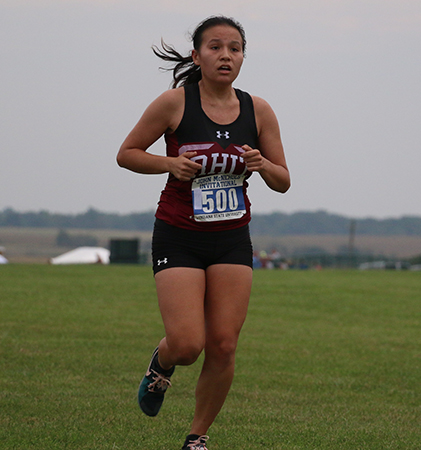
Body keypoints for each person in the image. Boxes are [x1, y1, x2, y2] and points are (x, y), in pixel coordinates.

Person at [117, 16, 290, 450]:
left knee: (224, 344)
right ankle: (163, 361)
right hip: (178, 234)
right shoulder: (174, 103)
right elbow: (127, 154)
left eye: (234, 48)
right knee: (189, 343)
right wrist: (168, 163)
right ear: (197, 56)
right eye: (215, 47)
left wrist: (262, 165)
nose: (225, 55)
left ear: (243, 57)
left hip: (232, 238)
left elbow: (283, 179)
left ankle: (197, 436)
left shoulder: (258, 109)